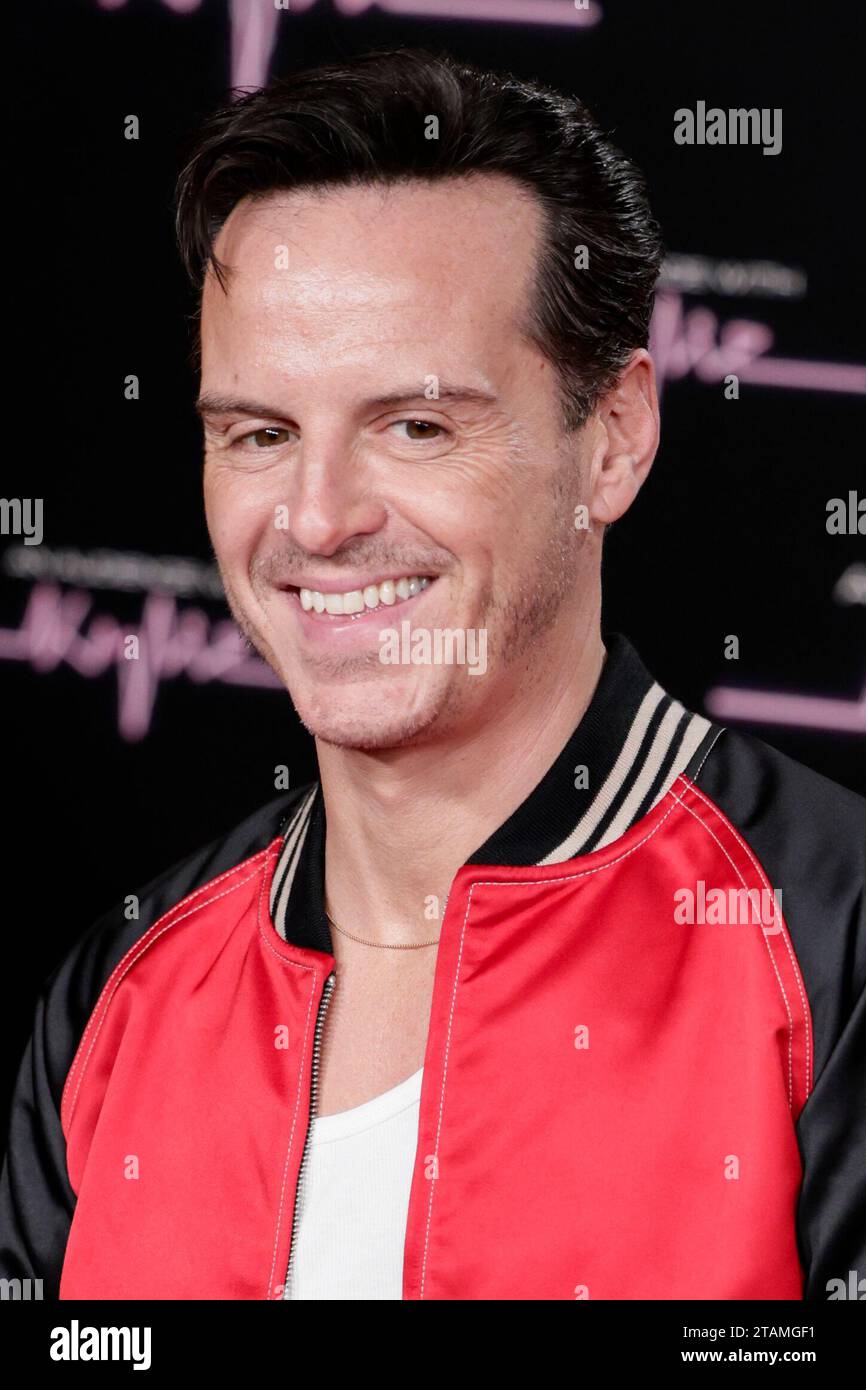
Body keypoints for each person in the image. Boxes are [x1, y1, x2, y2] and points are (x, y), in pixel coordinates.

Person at [1, 48, 863, 1301]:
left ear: (612, 439)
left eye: (414, 426)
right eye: (259, 433)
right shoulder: (117, 997)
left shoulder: (829, 949)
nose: (318, 518)